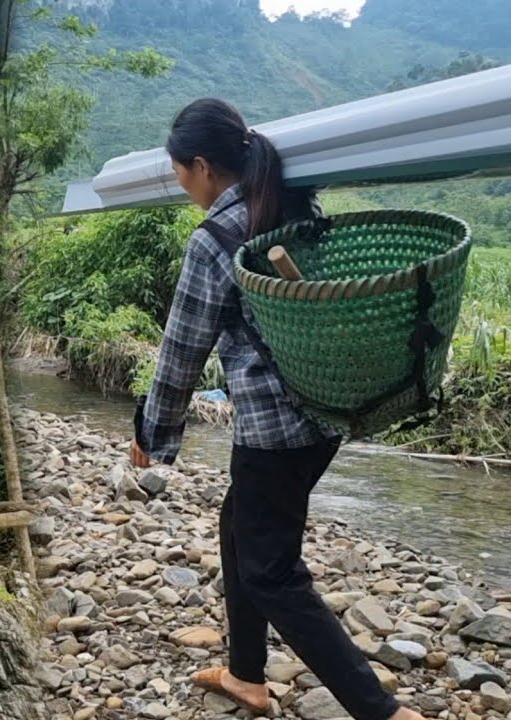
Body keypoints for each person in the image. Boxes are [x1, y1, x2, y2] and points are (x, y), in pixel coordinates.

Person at [129, 99, 422, 720]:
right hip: (326, 412)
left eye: (179, 174)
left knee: (271, 571)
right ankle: (246, 675)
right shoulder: (293, 210)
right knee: (239, 526)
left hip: (273, 432)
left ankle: (383, 712)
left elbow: (182, 351)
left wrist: (151, 434)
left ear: (203, 166)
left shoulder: (215, 239)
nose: (183, 187)